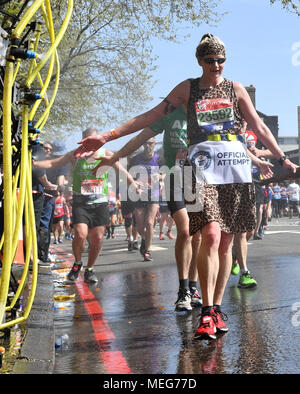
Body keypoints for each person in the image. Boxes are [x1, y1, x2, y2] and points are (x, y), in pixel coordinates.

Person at [75, 33, 297, 338]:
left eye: (221, 60)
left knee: (226, 243)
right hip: (199, 169)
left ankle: (217, 309)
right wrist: (108, 137)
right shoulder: (187, 89)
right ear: (199, 61)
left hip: (234, 168)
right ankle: (205, 310)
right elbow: (148, 117)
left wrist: (281, 157)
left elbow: (258, 127)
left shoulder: (236, 89)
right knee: (209, 233)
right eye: (210, 60)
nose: (216, 65)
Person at [33, 128, 138, 283]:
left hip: (100, 203)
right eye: (87, 141)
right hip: (81, 202)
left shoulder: (106, 154)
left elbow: (121, 170)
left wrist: (134, 184)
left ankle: (89, 268)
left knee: (97, 238)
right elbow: (53, 163)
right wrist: (32, 162)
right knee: (81, 235)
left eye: (94, 140)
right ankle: (77, 262)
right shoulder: (75, 154)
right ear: (83, 141)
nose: (91, 144)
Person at [129, 137, 161, 262]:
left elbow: (165, 172)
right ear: (143, 144)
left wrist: (160, 176)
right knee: (140, 226)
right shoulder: (136, 159)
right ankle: (145, 238)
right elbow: (129, 177)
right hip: (139, 194)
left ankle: (147, 251)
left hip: (154, 194)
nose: (148, 146)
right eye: (146, 143)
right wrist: (135, 183)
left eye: (151, 143)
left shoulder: (159, 158)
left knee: (149, 222)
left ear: (155, 144)